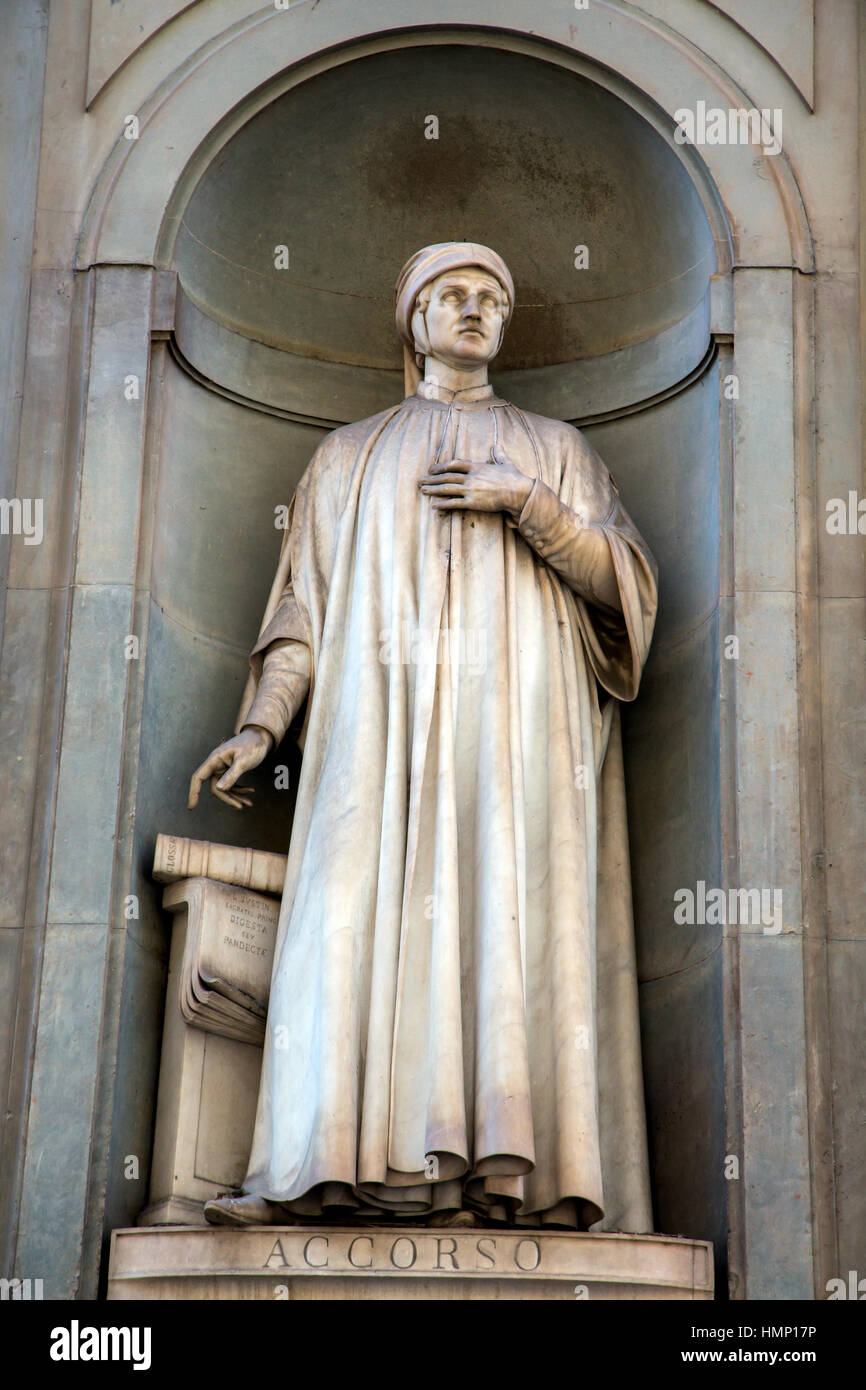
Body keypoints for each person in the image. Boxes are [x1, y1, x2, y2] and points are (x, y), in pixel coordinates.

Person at [189, 242, 658, 1230]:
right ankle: (320, 1166)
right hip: (374, 737)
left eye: (491, 296)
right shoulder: (347, 455)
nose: (474, 309)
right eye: (453, 294)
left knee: (504, 919)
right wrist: (263, 725)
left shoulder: (554, 446)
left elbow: (625, 589)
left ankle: (495, 1175)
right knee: (342, 918)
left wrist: (521, 501)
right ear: (412, 318)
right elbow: (301, 616)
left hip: (515, 733)